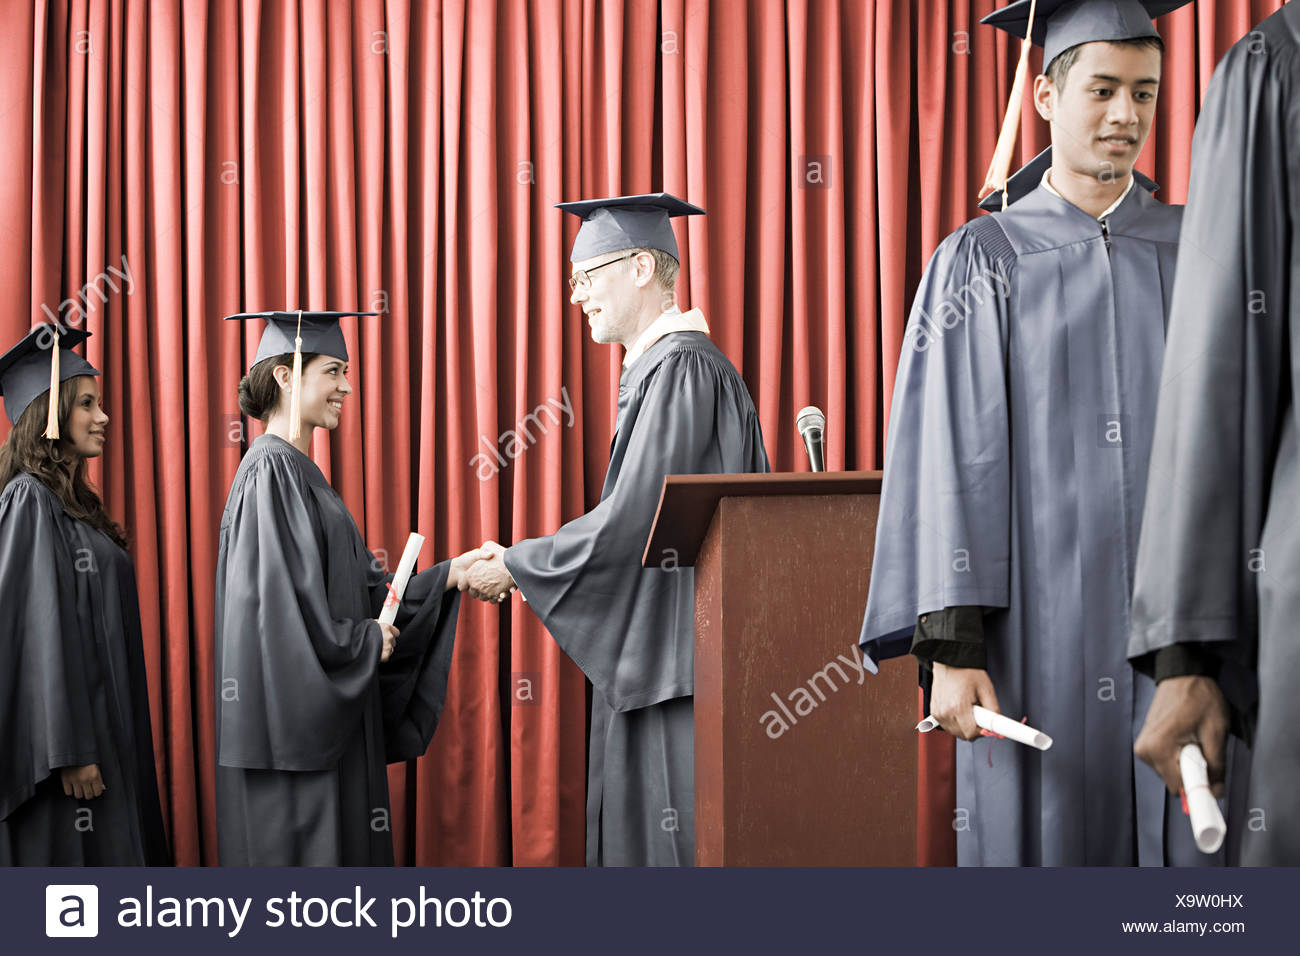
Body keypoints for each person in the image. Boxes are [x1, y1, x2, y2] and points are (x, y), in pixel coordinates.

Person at [857, 0, 1238, 866]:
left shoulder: (1199, 251)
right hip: (1036, 637)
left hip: (1186, 635)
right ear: (1044, 95)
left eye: (1144, 92)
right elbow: (949, 459)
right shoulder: (982, 260)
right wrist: (950, 650)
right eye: (1101, 89)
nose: (1125, 115)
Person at [461, 194, 770, 866]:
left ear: (638, 267)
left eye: (586, 278)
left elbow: (636, 521)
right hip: (665, 659)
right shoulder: (667, 371)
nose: (578, 298)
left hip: (679, 669)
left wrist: (518, 564)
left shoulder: (683, 370)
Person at [214, 310, 483, 865]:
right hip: (296, 747)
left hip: (331, 729)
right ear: (287, 375)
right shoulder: (271, 472)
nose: (347, 386)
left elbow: (363, 594)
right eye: (333, 371)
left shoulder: (300, 472)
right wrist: (361, 643)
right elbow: (278, 619)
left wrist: (451, 574)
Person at [1129, 0, 1299, 866]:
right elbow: (1224, 370)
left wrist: (1186, 650)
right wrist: (1187, 648)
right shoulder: (1282, 70)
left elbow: (1218, 370)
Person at [0, 324, 169, 865]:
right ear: (49, 416)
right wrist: (67, 749)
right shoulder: (28, 501)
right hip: (71, 760)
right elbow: (32, 628)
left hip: (107, 734)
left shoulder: (72, 507)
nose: (104, 417)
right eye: (87, 405)